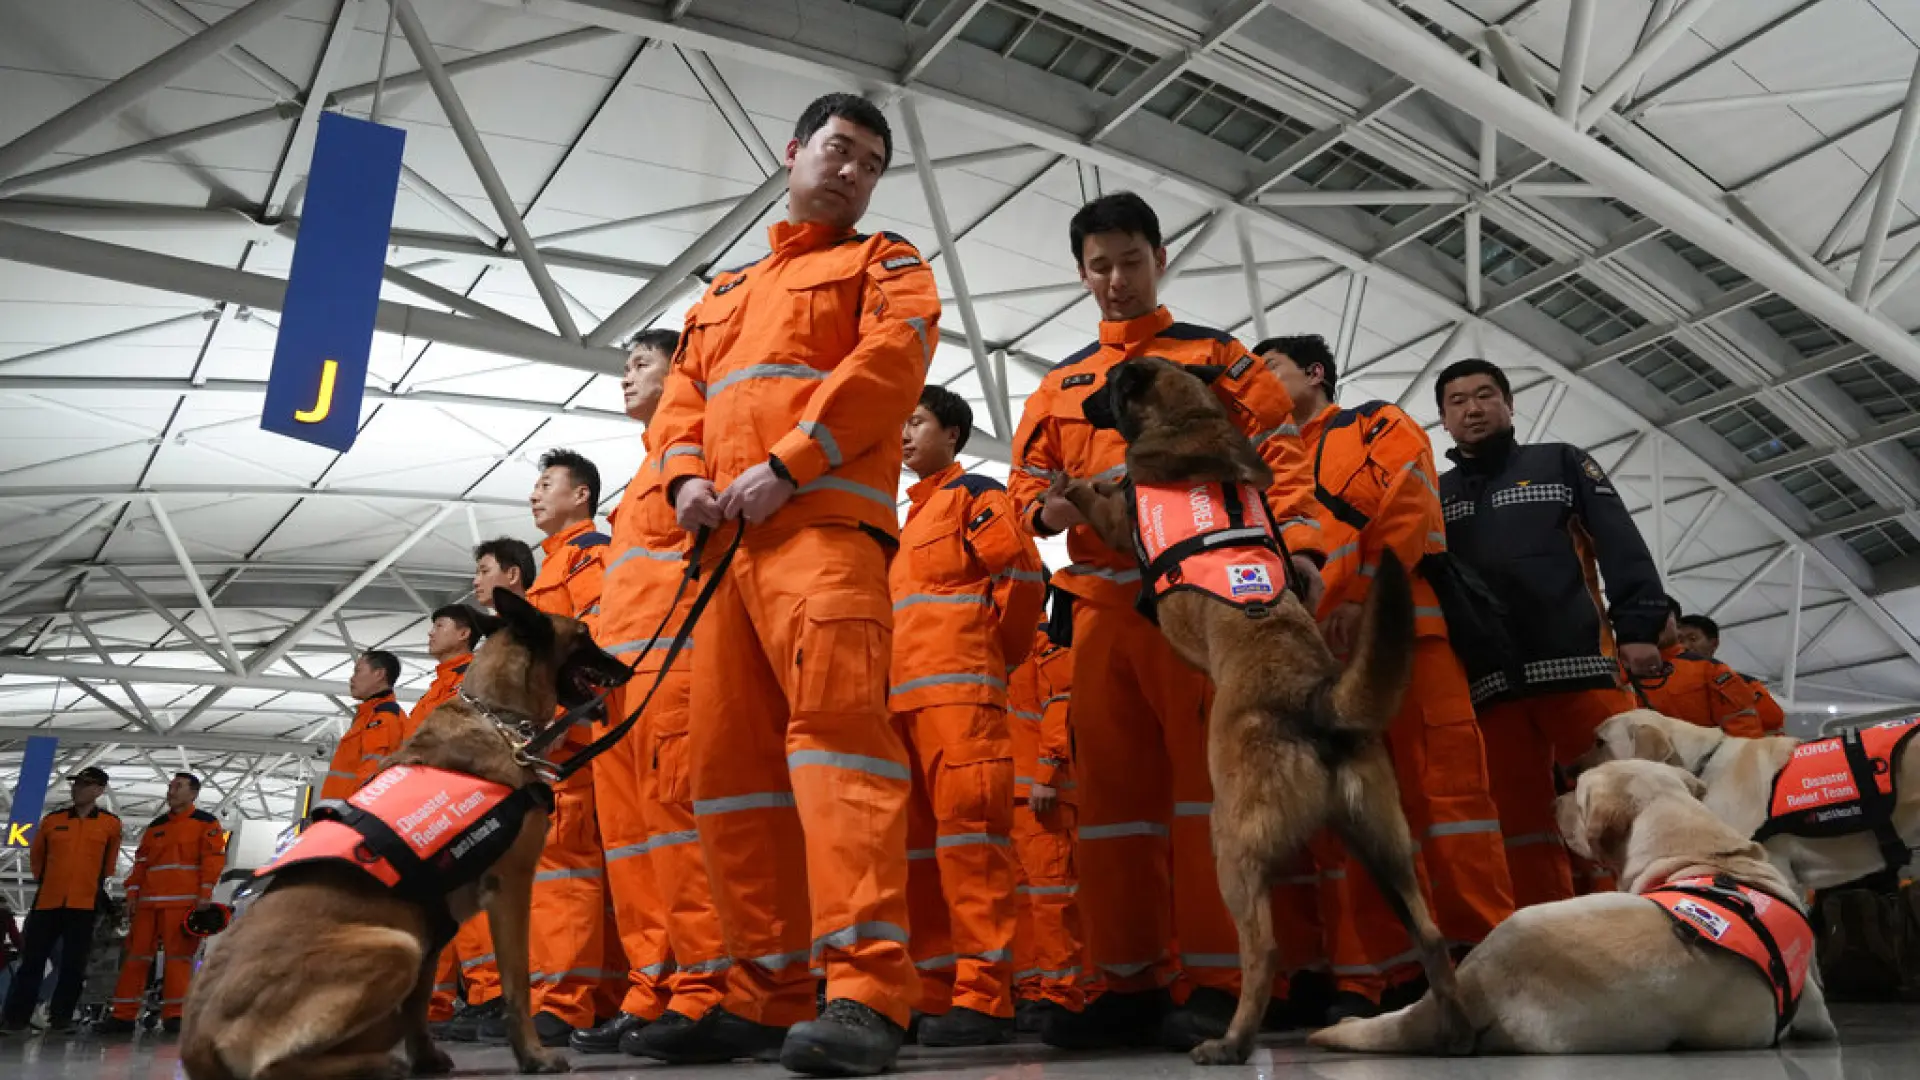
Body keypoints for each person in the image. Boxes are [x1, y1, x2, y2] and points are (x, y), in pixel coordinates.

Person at [651, 92, 940, 1074]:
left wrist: (794, 460)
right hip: (728, 557)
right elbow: (682, 395)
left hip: (822, 535)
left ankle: (866, 991)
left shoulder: (884, 262)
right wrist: (685, 477)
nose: (853, 169)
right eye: (838, 148)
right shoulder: (723, 292)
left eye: (871, 159)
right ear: (793, 152)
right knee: (730, 776)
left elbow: (891, 362)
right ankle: (765, 989)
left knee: (839, 754)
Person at [1006, 191, 1328, 1052]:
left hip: (1206, 599)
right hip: (1103, 608)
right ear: (1082, 273)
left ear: (1160, 259)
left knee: (1212, 793)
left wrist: (1300, 550)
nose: (1116, 279)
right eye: (1099, 265)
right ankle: (1125, 980)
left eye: (1131, 261)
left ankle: (1224, 979)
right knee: (1112, 808)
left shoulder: (1218, 359)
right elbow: (1025, 485)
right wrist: (1043, 515)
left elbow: (1282, 459)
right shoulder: (1059, 385)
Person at [1260, 334, 1515, 1019]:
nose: (1256, 383)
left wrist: (1368, 591)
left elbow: (1407, 503)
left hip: (1404, 638)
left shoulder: (1373, 424)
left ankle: (1487, 961)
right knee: (1350, 817)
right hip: (1318, 662)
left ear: (1314, 374)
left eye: (1270, 369)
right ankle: (1379, 977)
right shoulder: (1265, 463)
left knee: (1446, 801)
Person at [1435, 358, 1665, 908]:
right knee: (1520, 827)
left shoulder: (1561, 462)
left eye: (1485, 395)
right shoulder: (1435, 494)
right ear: (1443, 419)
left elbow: (1619, 540)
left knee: (1625, 803)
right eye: (1457, 401)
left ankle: (1658, 917)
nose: (1473, 408)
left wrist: (1639, 625)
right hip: (1492, 691)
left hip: (1580, 671)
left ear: (1509, 405)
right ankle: (1553, 937)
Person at [586, 331, 734, 1062]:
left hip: (673, 668)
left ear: (682, 374)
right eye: (625, 365)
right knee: (635, 848)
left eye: (642, 363)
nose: (626, 376)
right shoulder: (645, 473)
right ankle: (653, 989)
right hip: (621, 678)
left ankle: (706, 990)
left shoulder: (698, 453)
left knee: (681, 836)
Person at [890, 385, 1045, 1045]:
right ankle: (934, 989)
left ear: (952, 433)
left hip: (962, 701)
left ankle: (985, 996)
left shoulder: (976, 495)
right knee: (921, 854)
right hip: (907, 706)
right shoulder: (905, 521)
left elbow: (1024, 578)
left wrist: (994, 661)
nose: (903, 435)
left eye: (917, 422)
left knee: (972, 847)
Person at [520, 448, 617, 1048]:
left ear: (580, 494)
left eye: (547, 483)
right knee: (563, 874)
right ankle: (591, 998)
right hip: (547, 746)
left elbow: (593, 644)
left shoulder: (588, 555)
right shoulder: (549, 570)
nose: (534, 493)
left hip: (570, 743)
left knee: (569, 870)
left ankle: (566, 1001)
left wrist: (554, 725)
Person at [409, 604, 502, 1039]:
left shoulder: (474, 678)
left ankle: (491, 995)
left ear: (465, 633)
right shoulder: (434, 690)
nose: (431, 634)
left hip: (462, 800)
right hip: (429, 809)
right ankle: (441, 1003)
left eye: (439, 626)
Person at [1005, 591, 1088, 1032]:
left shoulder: (1045, 640)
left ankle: (1062, 993)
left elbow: (1062, 702)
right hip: (1014, 797)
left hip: (1043, 797)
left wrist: (1047, 773)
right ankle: (1033, 990)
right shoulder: (1004, 643)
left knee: (1053, 898)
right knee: (1023, 900)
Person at [98, 773, 226, 1035]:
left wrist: (204, 895)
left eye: (178, 786)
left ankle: (175, 1016)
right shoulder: (155, 826)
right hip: (147, 905)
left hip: (182, 904)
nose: (171, 790)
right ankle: (122, 1016)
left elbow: (212, 860)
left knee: (178, 960)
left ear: (193, 794)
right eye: (170, 786)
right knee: (135, 958)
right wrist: (132, 896)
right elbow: (141, 865)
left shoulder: (206, 823)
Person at [0, 767, 120, 1034]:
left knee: (73, 965)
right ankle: (15, 1019)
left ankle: (61, 1018)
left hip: (84, 904)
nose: (77, 788)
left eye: (85, 784)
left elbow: (109, 865)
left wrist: (90, 885)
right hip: (48, 902)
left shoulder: (110, 825)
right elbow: (38, 859)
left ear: (99, 790)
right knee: (32, 961)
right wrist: (52, 881)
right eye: (76, 783)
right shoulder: (52, 821)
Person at [1634, 603, 1770, 738]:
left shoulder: (1712, 670)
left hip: (1704, 755)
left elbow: (1748, 726)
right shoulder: (1622, 671)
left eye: (1693, 639)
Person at [1676, 613, 1787, 734]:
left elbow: (1772, 719)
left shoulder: (1742, 682)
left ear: (1714, 644)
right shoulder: (1664, 682)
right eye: (1680, 640)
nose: (1685, 646)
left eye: (1693, 639)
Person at [319, 651, 405, 801]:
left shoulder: (383, 718)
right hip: (342, 811)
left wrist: (352, 812)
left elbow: (372, 772)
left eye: (358, 671)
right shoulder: (369, 715)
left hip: (352, 813)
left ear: (379, 674)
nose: (352, 678)